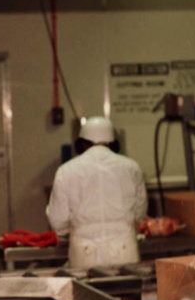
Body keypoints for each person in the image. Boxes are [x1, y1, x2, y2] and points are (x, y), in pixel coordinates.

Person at [46, 116, 148, 270]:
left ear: (81, 143)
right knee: (126, 293)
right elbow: (140, 214)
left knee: (87, 294)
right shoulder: (131, 168)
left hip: (84, 255)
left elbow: (58, 222)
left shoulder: (66, 171)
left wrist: (73, 227)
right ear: (114, 143)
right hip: (125, 252)